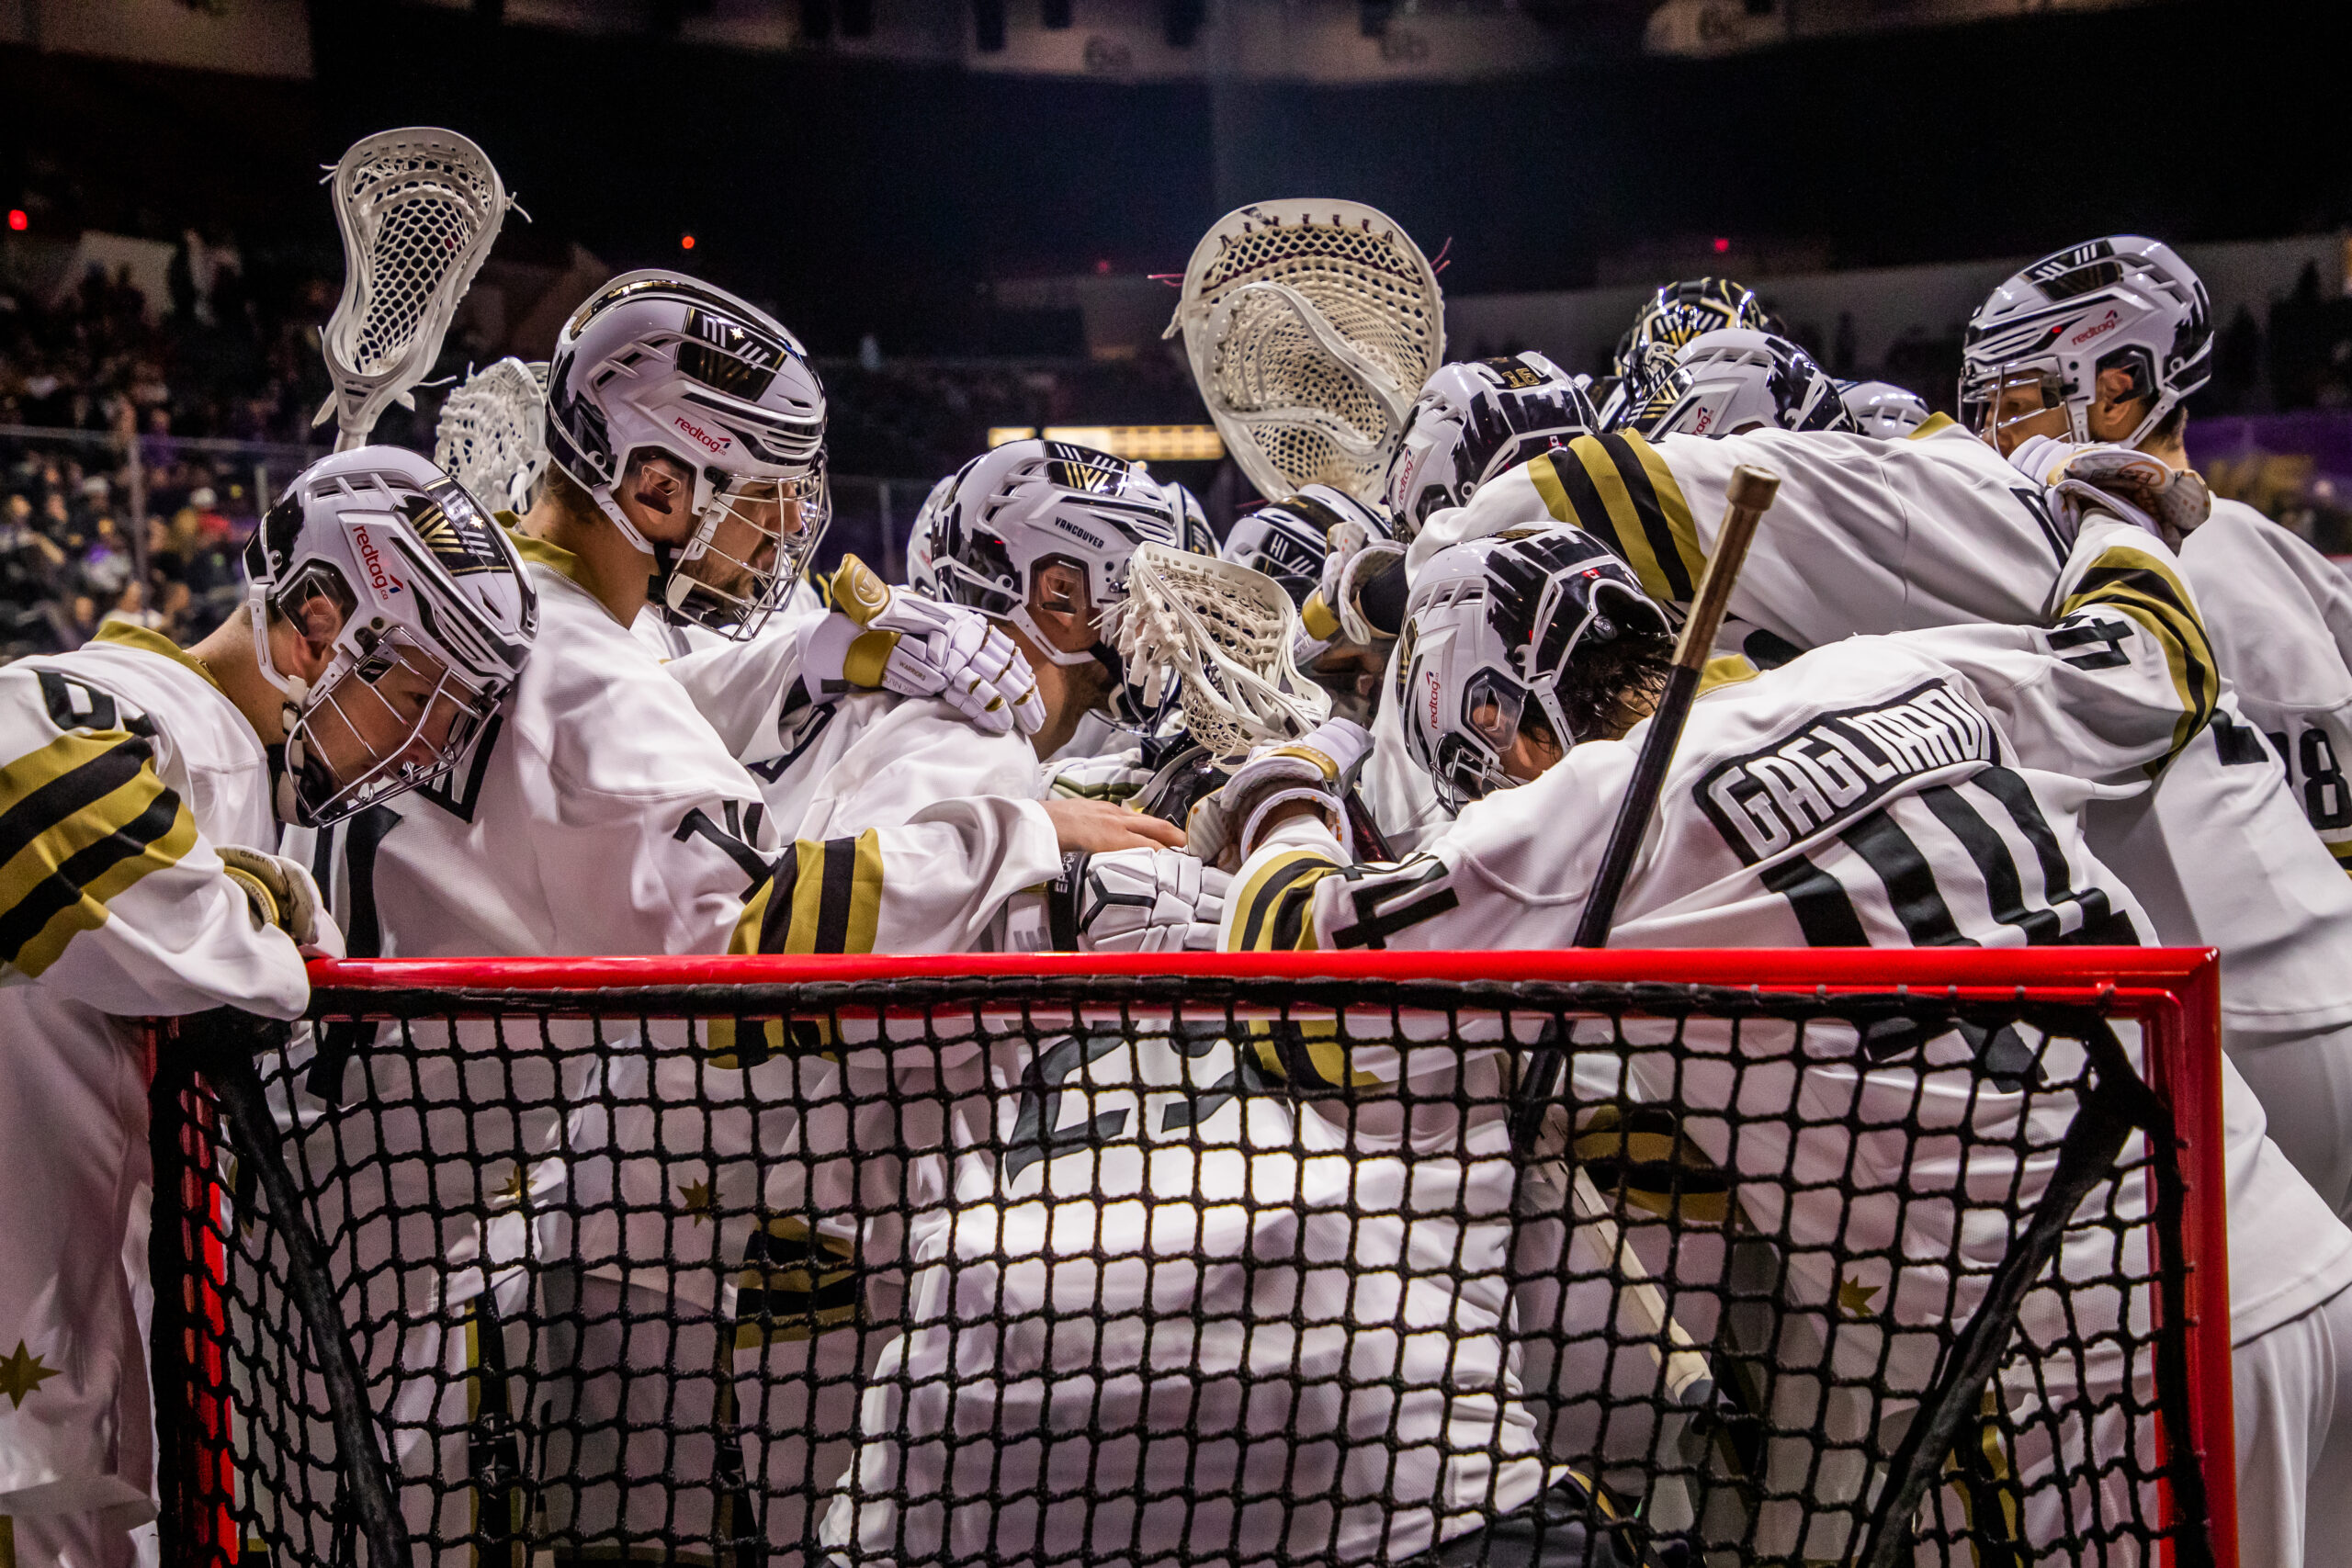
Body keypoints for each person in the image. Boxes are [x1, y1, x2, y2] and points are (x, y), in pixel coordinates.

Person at [1216, 523, 2352, 1565]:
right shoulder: (1897, 669)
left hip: (2090, 1376)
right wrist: (2094, 507)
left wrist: (1284, 786)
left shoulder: (1588, 811)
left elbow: (1289, 993)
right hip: (2297, 1254)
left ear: (1502, 729)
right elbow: (2154, 660)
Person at [0, 444, 537, 1568]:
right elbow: (19, 771)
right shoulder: (134, 704)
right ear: (312, 621)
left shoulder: (243, 778)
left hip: (73, 1390)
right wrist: (255, 922)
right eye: (419, 696)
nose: (428, 745)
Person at [1961, 238, 2352, 1233]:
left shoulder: (2115, 570)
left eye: (2024, 397)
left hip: (2240, 1020)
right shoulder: (2277, 553)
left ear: (2123, 385)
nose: (1997, 429)